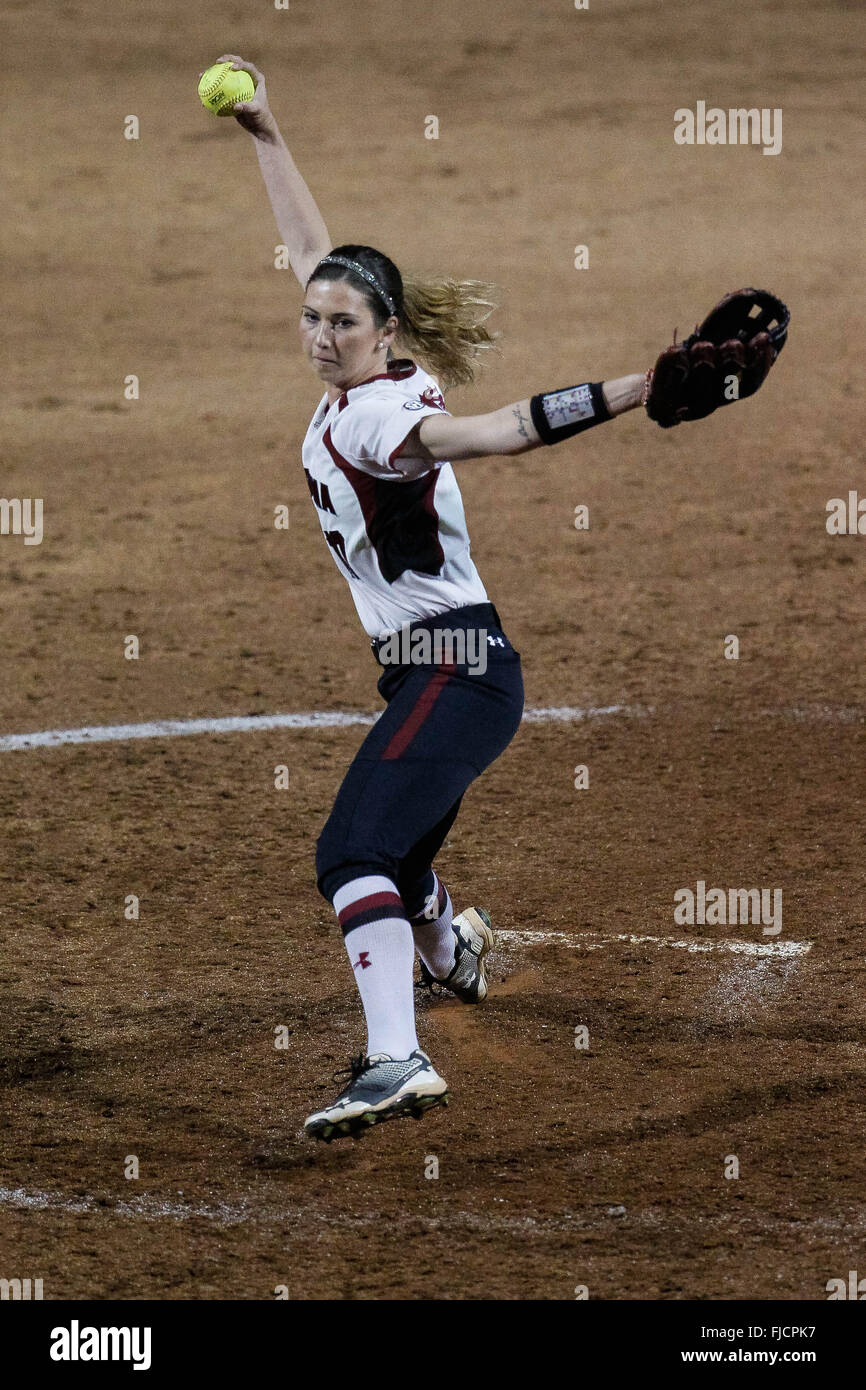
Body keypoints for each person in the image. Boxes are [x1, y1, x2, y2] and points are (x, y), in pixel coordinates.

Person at [214, 56, 785, 1142]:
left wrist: (635, 387)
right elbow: (313, 253)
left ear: (381, 334)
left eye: (340, 322)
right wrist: (263, 130)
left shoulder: (380, 422)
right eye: (311, 318)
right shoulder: (372, 371)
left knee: (350, 855)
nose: (319, 333)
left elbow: (502, 431)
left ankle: (394, 1060)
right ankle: (452, 950)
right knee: (407, 854)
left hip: (454, 669)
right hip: (445, 671)